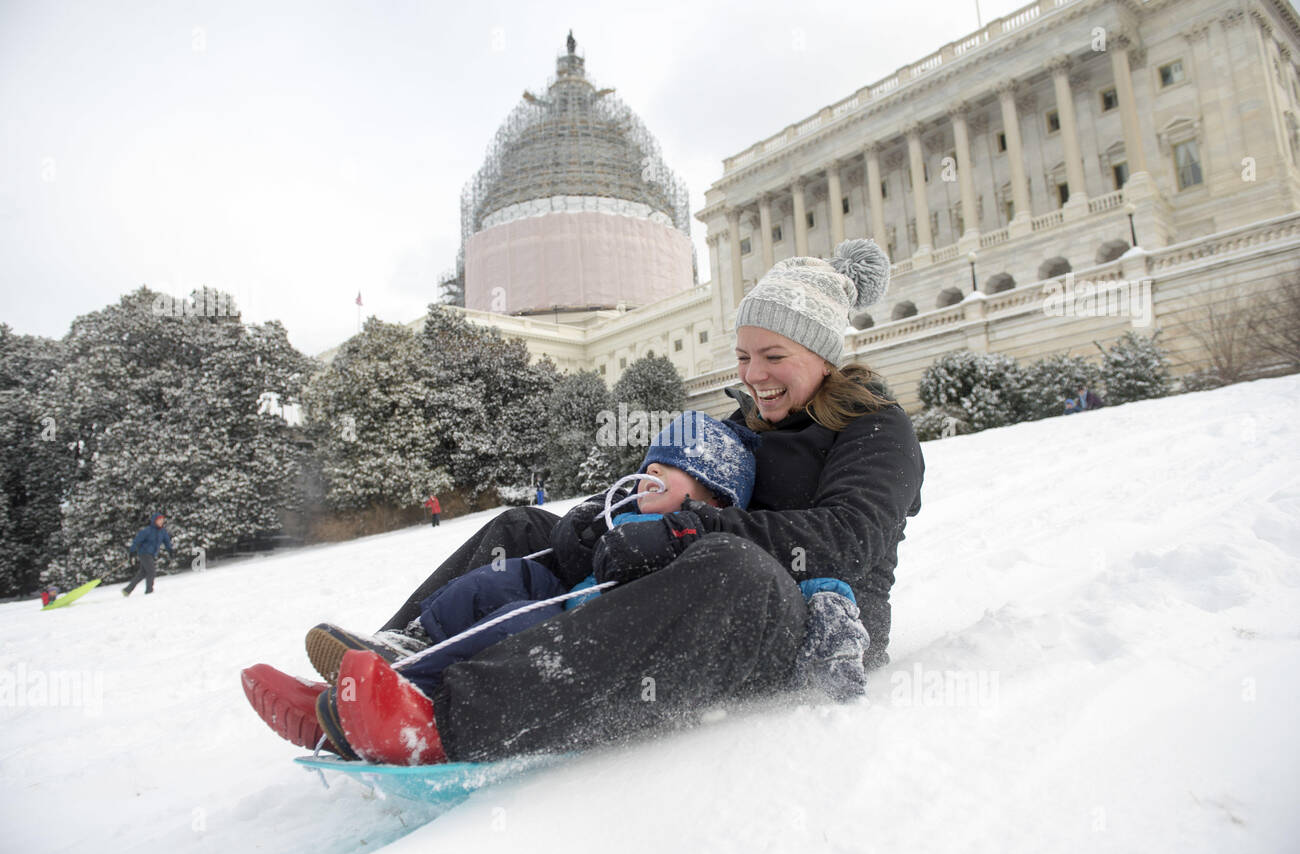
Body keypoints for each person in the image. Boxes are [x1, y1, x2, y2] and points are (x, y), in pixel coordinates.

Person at [242, 238, 924, 766]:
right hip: (708, 572)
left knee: (727, 566)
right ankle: (385, 669)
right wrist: (605, 517)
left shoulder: (875, 428)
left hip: (815, 623)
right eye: (744, 357)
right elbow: (676, 485)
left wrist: (689, 528)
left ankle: (443, 720)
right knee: (523, 526)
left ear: (824, 354)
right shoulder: (748, 425)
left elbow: (845, 536)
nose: (751, 376)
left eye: (771, 356)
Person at [123, 512, 174, 596]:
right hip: (144, 553)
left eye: (162, 520)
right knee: (151, 572)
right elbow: (137, 540)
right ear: (154, 521)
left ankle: (127, 590)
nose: (161, 522)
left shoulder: (162, 531)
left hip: (151, 554)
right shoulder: (147, 531)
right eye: (159, 520)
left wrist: (170, 550)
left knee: (142, 573)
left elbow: (167, 541)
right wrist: (132, 551)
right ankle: (149, 591)